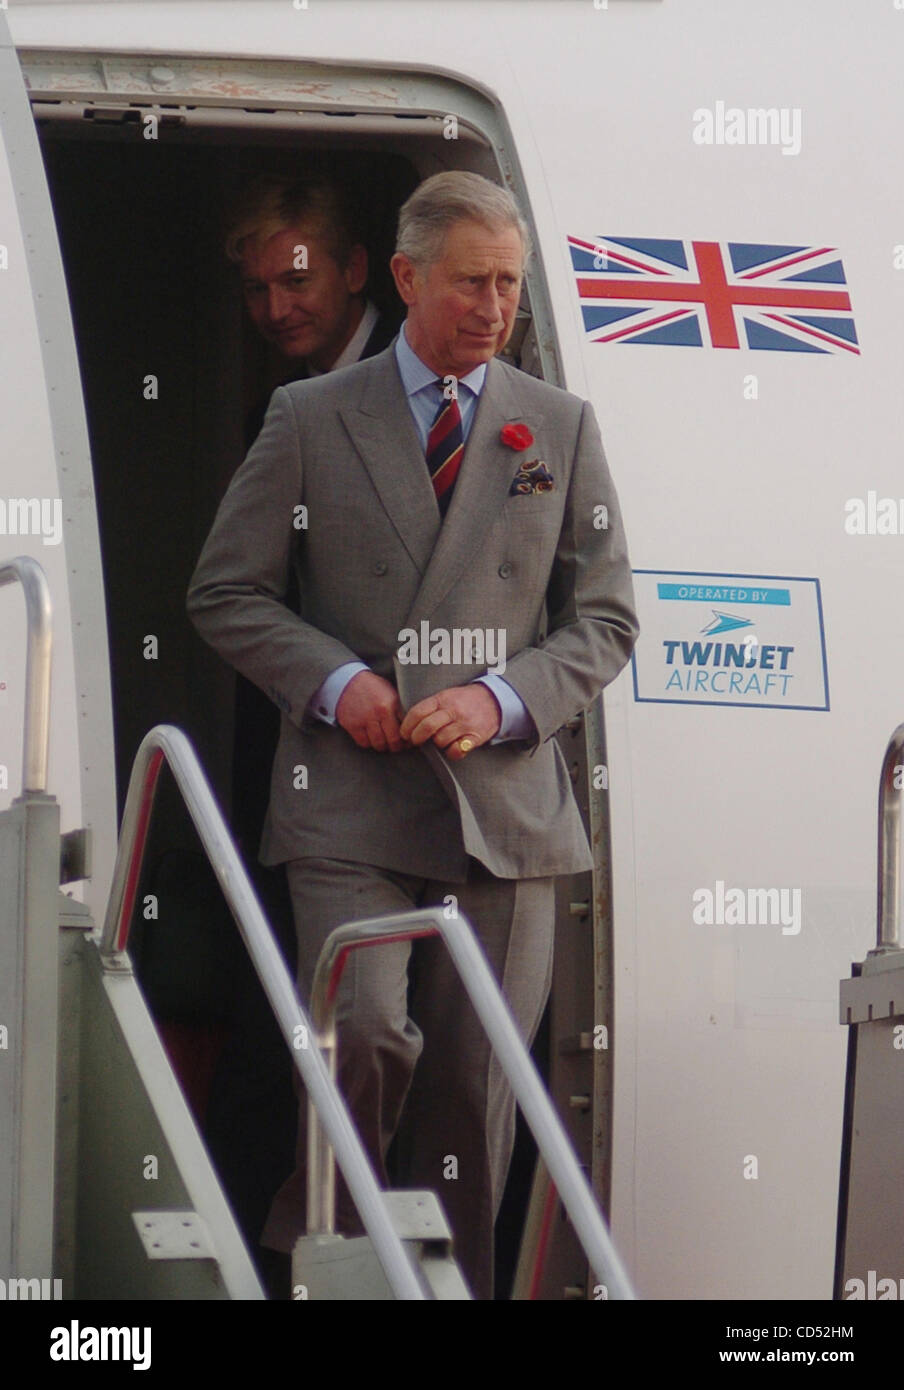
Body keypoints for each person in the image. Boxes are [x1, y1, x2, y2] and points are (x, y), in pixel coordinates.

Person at [187, 170, 639, 1299]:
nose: (494, 307)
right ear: (404, 277)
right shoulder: (308, 417)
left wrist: (501, 699)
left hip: (504, 818)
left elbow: (607, 618)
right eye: (471, 283)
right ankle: (319, 1248)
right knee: (365, 1034)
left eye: (509, 285)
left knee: (470, 1115)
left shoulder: (561, 425)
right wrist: (338, 684)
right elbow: (225, 594)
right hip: (350, 802)